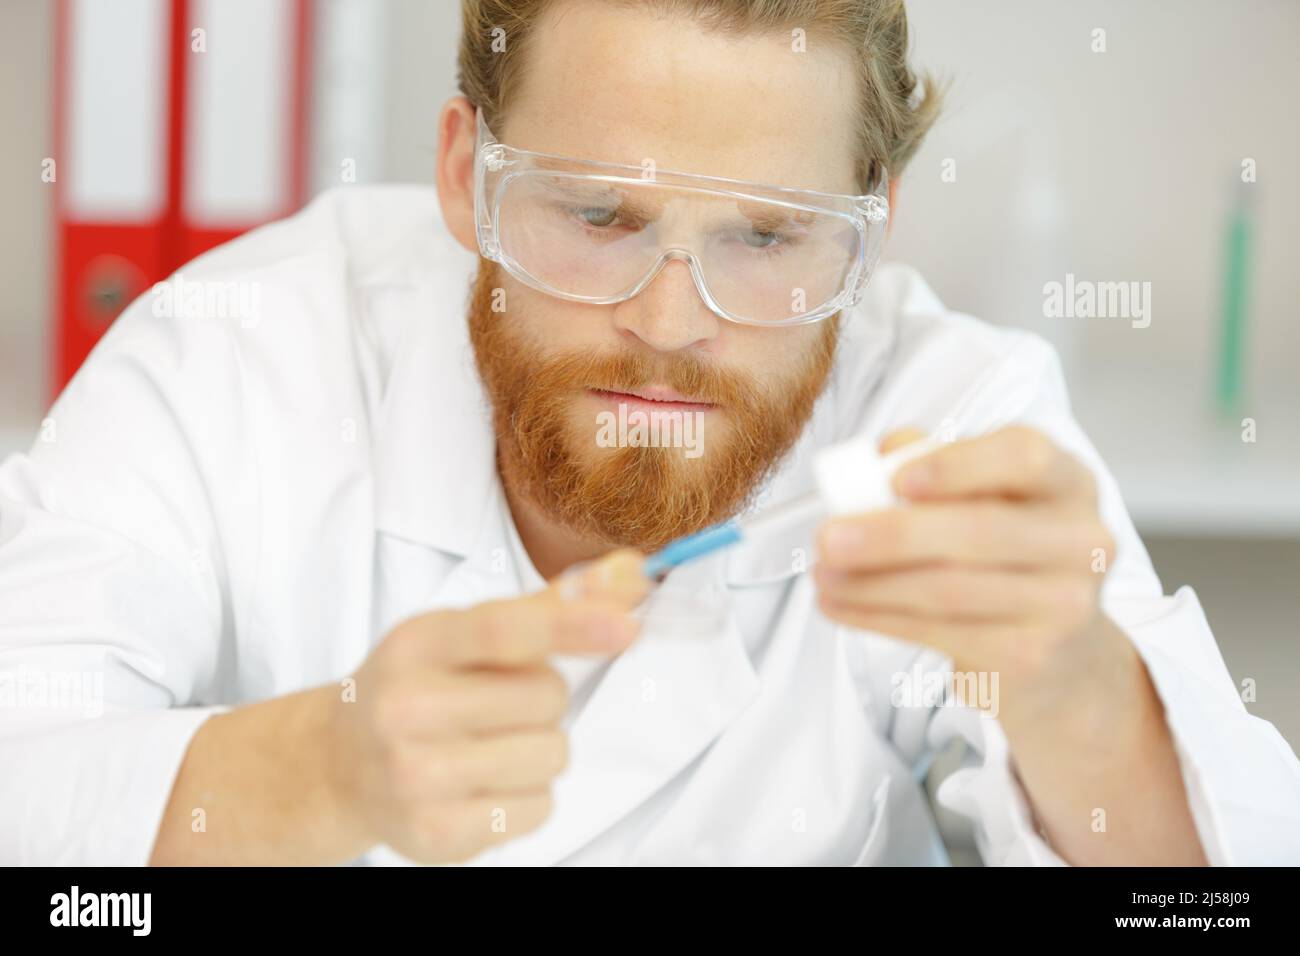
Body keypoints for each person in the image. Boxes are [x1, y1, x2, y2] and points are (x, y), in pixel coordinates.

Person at [2, 0, 1297, 866]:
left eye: (770, 237)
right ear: (465, 173)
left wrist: (1075, 691)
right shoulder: (230, 355)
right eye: (598, 220)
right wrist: (320, 767)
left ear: (875, 224)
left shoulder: (941, 419)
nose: (673, 323)